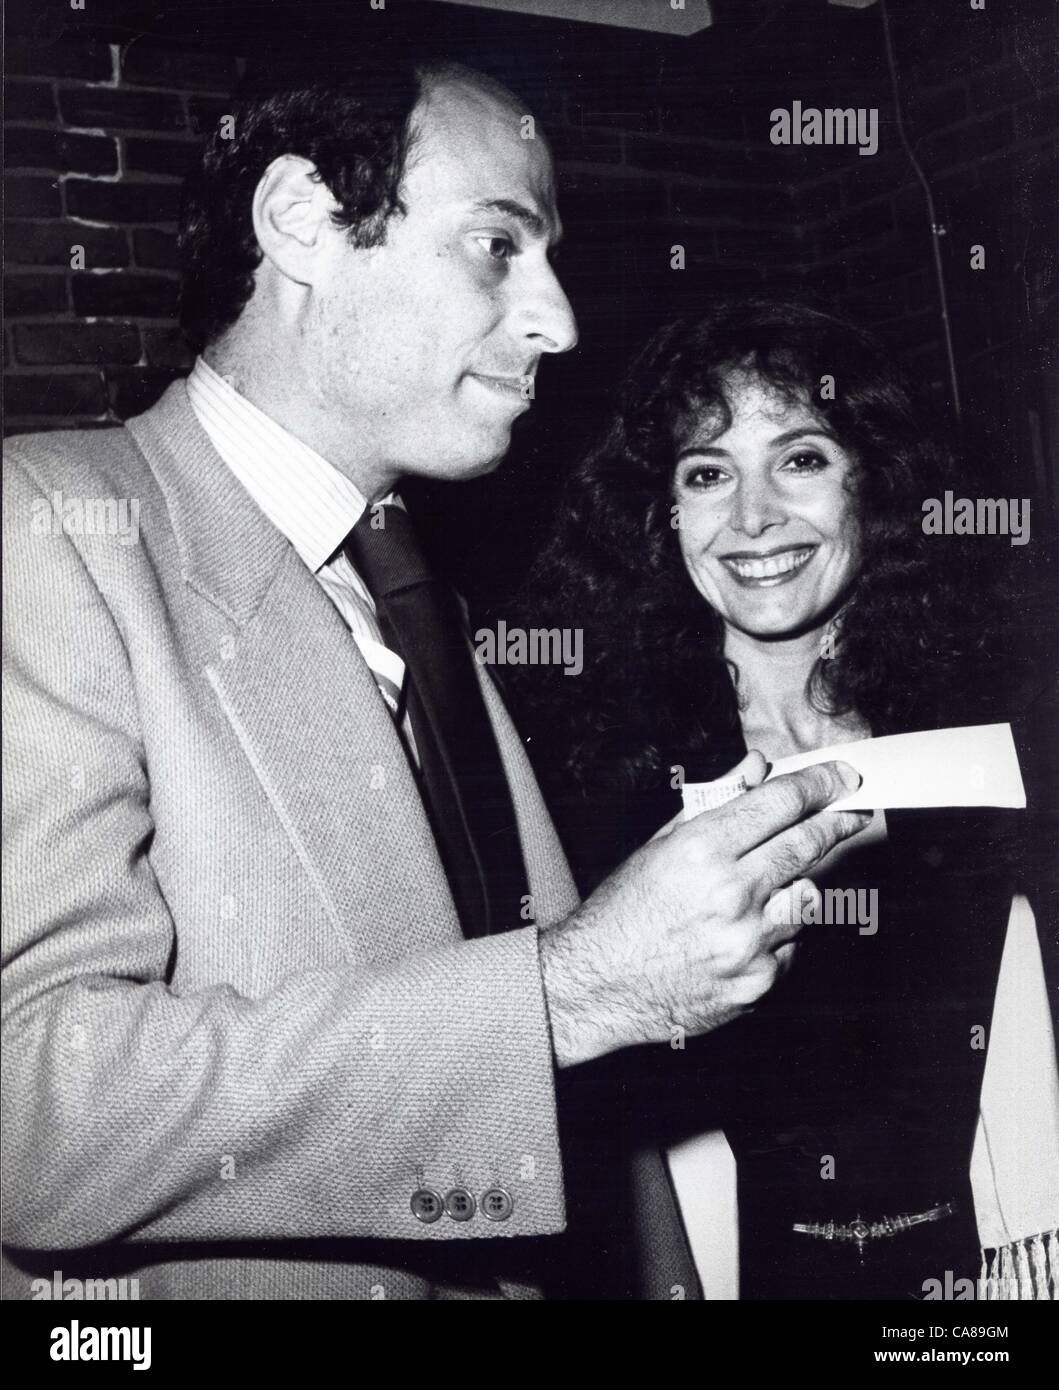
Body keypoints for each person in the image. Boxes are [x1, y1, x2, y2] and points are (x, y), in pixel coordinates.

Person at [0, 64, 871, 1302]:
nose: (559, 321)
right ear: (302, 219)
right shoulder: (48, 529)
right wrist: (571, 991)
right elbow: (35, 1112)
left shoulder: (411, 584)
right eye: (498, 244)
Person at [511, 300, 1059, 1300]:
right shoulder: (601, 794)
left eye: (800, 459)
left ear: (874, 487)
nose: (753, 518)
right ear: (661, 512)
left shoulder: (995, 755)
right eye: (708, 473)